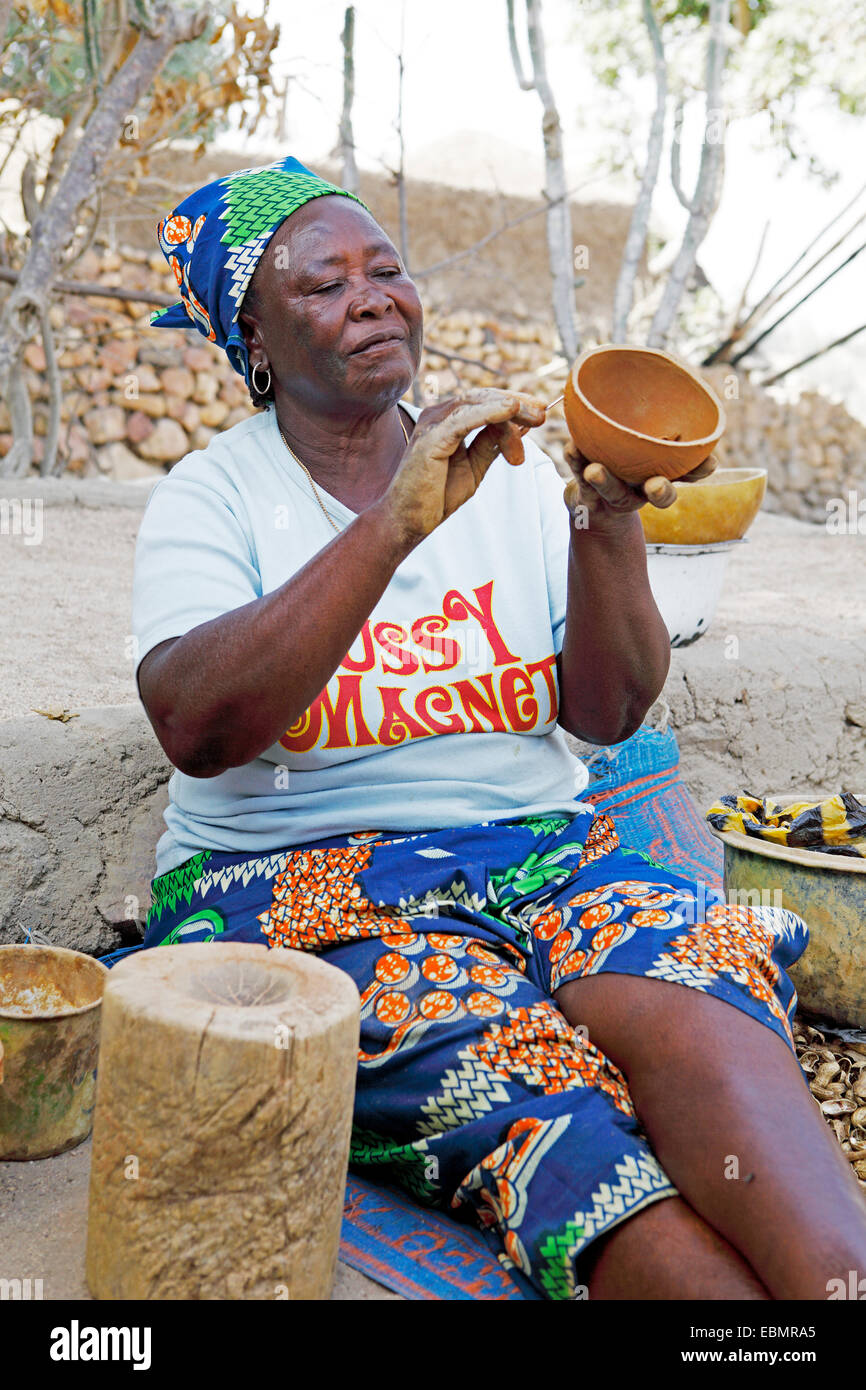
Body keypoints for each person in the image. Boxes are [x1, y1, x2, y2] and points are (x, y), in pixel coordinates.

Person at [131, 155, 866, 1301]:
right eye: (321, 285)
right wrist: (391, 530)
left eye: (386, 269)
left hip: (541, 856)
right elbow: (195, 724)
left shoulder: (514, 475)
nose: (371, 296)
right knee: (541, 1118)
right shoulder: (214, 496)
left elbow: (608, 711)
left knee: (706, 1003)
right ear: (256, 343)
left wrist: (604, 519)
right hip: (302, 888)